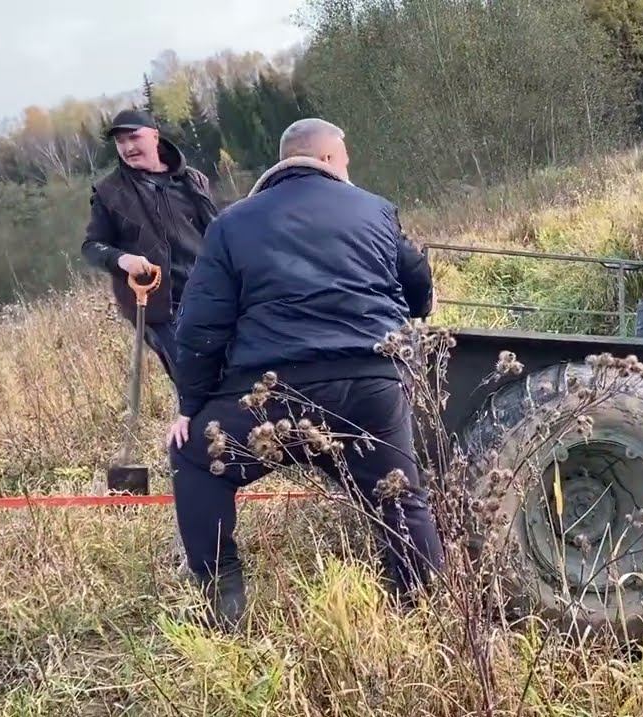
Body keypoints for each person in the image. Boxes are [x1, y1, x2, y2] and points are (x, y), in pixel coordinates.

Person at [165, 118, 443, 631]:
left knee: (194, 458)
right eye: (347, 161)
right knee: (400, 495)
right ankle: (425, 614)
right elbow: (419, 285)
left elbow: (200, 328)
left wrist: (192, 406)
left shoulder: (231, 223)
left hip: (274, 394)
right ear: (331, 159)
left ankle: (224, 603)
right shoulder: (376, 209)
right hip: (370, 384)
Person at [80, 108, 219, 387]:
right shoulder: (109, 192)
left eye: (134, 137)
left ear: (155, 136)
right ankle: (199, 427)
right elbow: (91, 246)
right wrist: (122, 260)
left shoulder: (194, 181)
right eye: (120, 142)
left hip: (209, 293)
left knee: (230, 368)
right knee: (192, 379)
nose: (128, 147)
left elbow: (217, 233)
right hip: (158, 305)